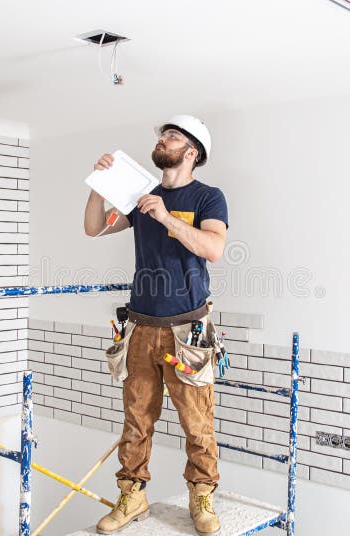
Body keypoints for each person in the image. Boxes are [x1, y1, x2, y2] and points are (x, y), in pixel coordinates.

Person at [83, 115, 228, 535]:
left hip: (188, 332)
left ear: (191, 152)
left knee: (197, 421)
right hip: (141, 326)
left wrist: (166, 217)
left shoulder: (208, 197)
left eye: (172, 136)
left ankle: (201, 497)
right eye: (163, 135)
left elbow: (214, 248)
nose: (163, 140)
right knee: (136, 419)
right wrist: (98, 185)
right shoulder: (139, 193)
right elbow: (93, 228)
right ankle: (132, 496)